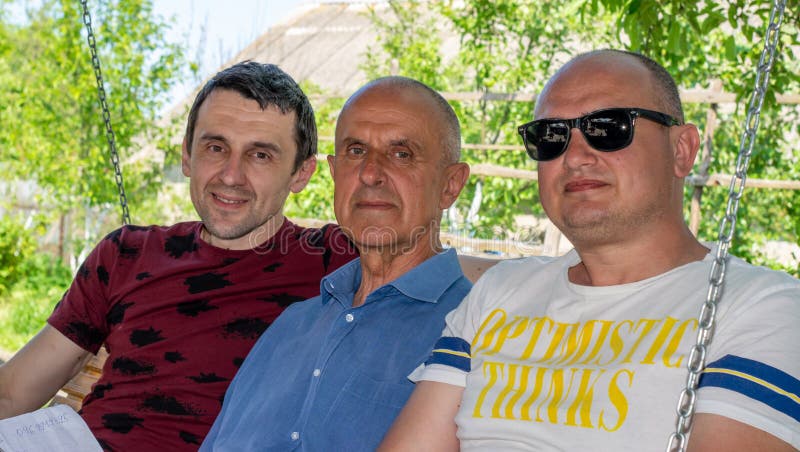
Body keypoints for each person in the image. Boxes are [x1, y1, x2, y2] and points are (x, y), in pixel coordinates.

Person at [381, 49, 800, 451]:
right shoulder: (500, 292)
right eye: (551, 137)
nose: (575, 156)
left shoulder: (760, 306)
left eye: (608, 128)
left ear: (682, 150)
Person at [0, 62, 359, 451]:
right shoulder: (126, 254)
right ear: (187, 155)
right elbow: (13, 394)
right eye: (215, 147)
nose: (231, 175)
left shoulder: (337, 262)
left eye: (260, 155)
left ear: (301, 173)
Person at [200, 76, 474, 451]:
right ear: (333, 171)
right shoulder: (292, 325)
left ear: (450, 185)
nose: (370, 173)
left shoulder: (474, 327)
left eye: (401, 154)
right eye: (356, 151)